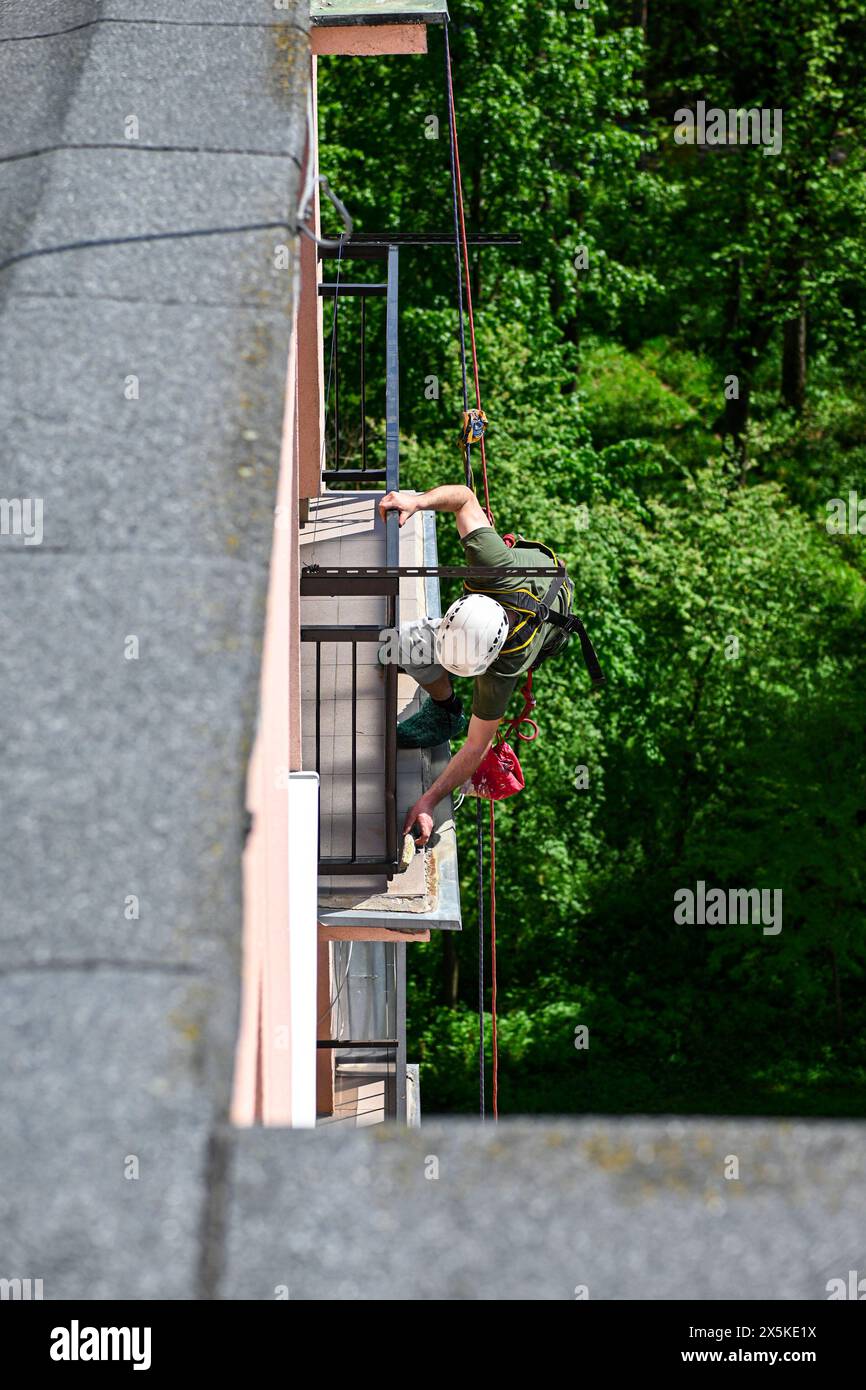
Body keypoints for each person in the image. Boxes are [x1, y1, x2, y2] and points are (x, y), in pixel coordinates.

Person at [377, 485, 574, 847]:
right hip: (506, 590)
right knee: (398, 643)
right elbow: (465, 497)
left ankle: (446, 708)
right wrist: (416, 502)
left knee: (406, 649)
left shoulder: (506, 665)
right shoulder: (490, 565)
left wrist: (429, 801)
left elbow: (476, 745)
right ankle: (446, 710)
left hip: (543, 620)